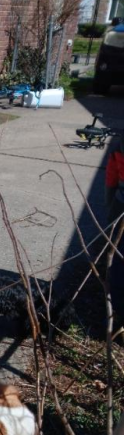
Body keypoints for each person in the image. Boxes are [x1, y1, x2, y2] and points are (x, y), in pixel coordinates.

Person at [106, 138, 124, 327]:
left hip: (120, 206)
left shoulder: (119, 146)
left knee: (118, 263)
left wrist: (110, 210)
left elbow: (111, 181)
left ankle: (117, 315)